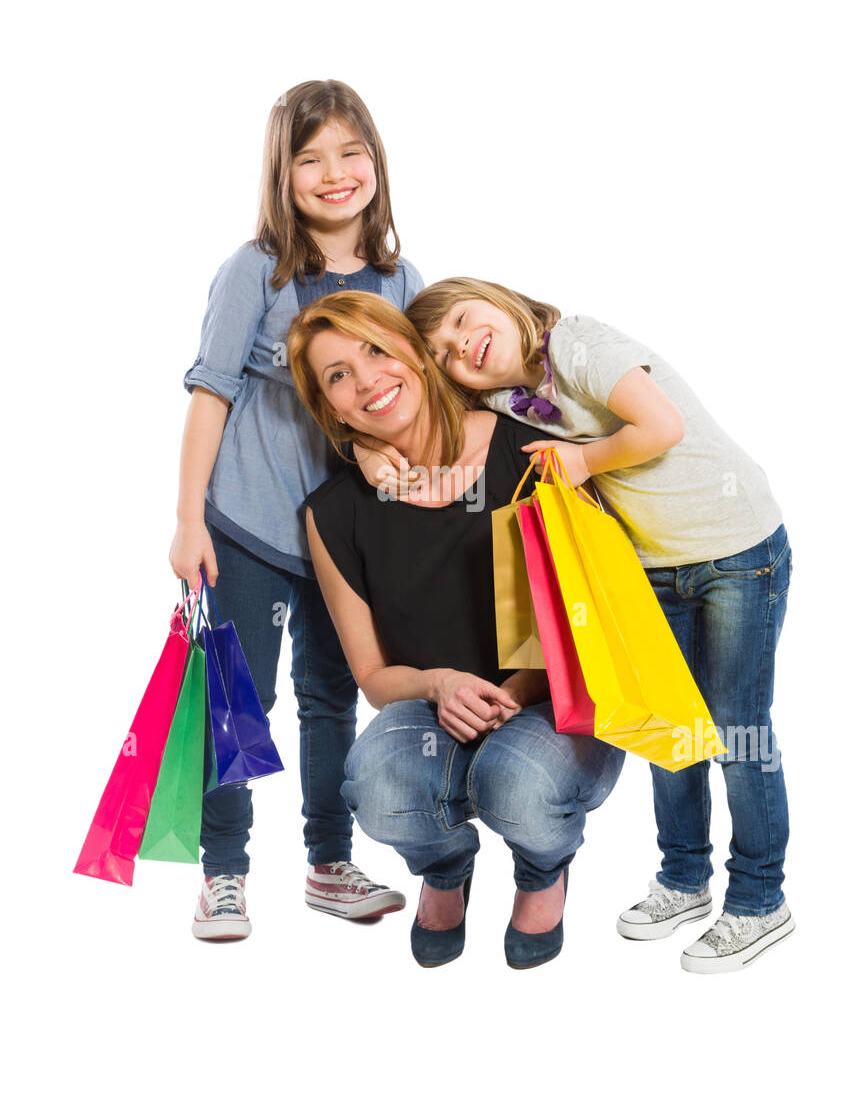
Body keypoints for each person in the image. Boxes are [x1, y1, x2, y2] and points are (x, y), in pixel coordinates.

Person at [405, 277, 794, 975]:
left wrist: (583, 459)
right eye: (445, 353)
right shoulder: (502, 397)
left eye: (464, 320)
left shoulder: (577, 344)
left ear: (501, 299)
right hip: (652, 566)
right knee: (668, 723)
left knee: (737, 727)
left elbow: (661, 427)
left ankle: (761, 899)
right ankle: (683, 879)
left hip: (735, 550)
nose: (464, 344)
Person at [286, 292, 624, 970]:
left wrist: (513, 692)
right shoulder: (333, 513)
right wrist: (439, 684)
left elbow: (602, 615)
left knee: (516, 785)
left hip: (558, 698)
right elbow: (374, 677)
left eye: (376, 351)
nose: (367, 380)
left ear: (413, 350)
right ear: (332, 410)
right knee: (378, 788)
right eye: (338, 376)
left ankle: (541, 866)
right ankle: (444, 866)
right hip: (433, 711)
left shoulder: (531, 450)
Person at [170, 80, 423, 940]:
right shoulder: (255, 272)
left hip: (347, 539)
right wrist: (188, 518)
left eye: (351, 152)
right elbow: (210, 391)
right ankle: (225, 874)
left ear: (376, 164)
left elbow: (414, 404)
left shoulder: (399, 279)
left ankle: (328, 861)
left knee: (331, 696)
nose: (333, 173)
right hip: (250, 525)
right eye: (309, 158)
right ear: (283, 175)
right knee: (240, 702)